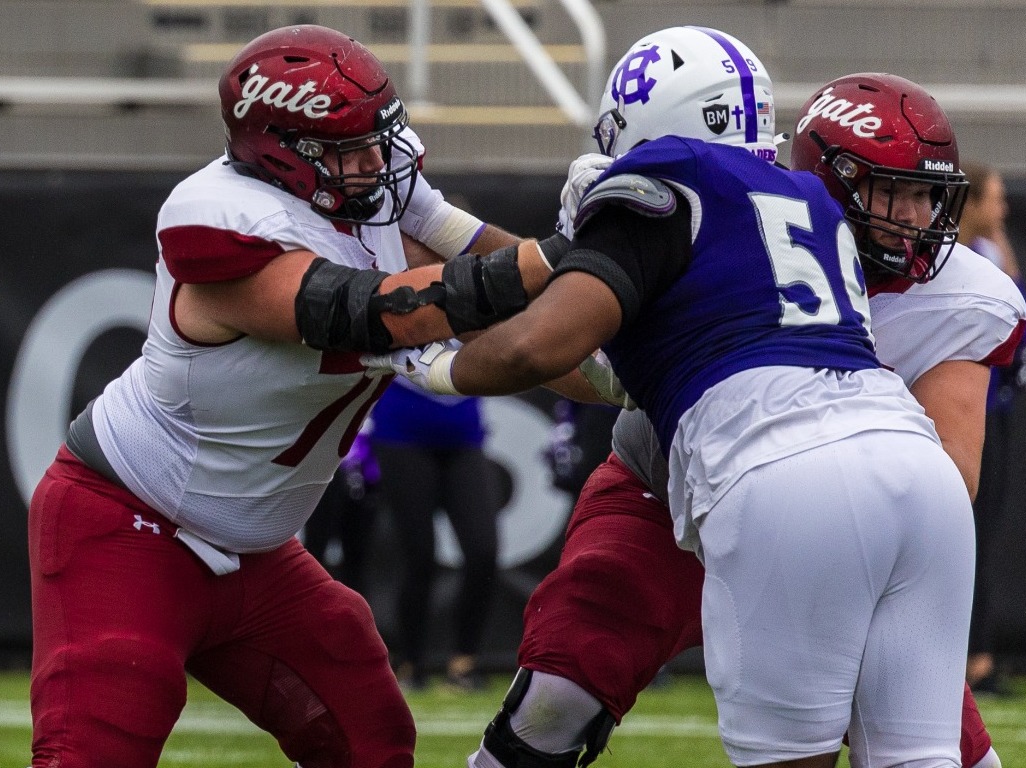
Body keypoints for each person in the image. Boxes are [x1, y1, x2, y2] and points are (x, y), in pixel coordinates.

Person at [374, 30, 985, 768]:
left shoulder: (661, 183)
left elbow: (543, 341)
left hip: (782, 478)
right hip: (918, 482)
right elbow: (606, 348)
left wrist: (421, 364)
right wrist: (434, 218)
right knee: (919, 758)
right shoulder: (811, 209)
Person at [25, 23, 570, 768]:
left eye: (380, 140)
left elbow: (519, 312)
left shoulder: (380, 191)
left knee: (367, 733)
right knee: (103, 737)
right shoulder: (216, 217)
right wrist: (561, 255)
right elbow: (363, 309)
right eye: (350, 150)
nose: (377, 163)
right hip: (126, 523)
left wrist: (627, 356)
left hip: (255, 549)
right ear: (280, 151)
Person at [958, 161, 1026, 696]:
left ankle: (976, 653)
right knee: (963, 532)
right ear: (969, 202)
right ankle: (969, 656)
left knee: (980, 534)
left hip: (992, 410)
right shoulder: (956, 259)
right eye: (994, 199)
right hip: (966, 410)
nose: (1004, 209)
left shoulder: (988, 254)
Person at [369, 378, 500, 691]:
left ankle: (464, 661)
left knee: (483, 550)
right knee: (419, 555)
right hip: (402, 435)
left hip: (464, 436)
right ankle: (411, 663)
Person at [301, 422, 381, 597]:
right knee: (315, 549)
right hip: (324, 442)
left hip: (365, 445)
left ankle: (356, 616)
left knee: (358, 553)